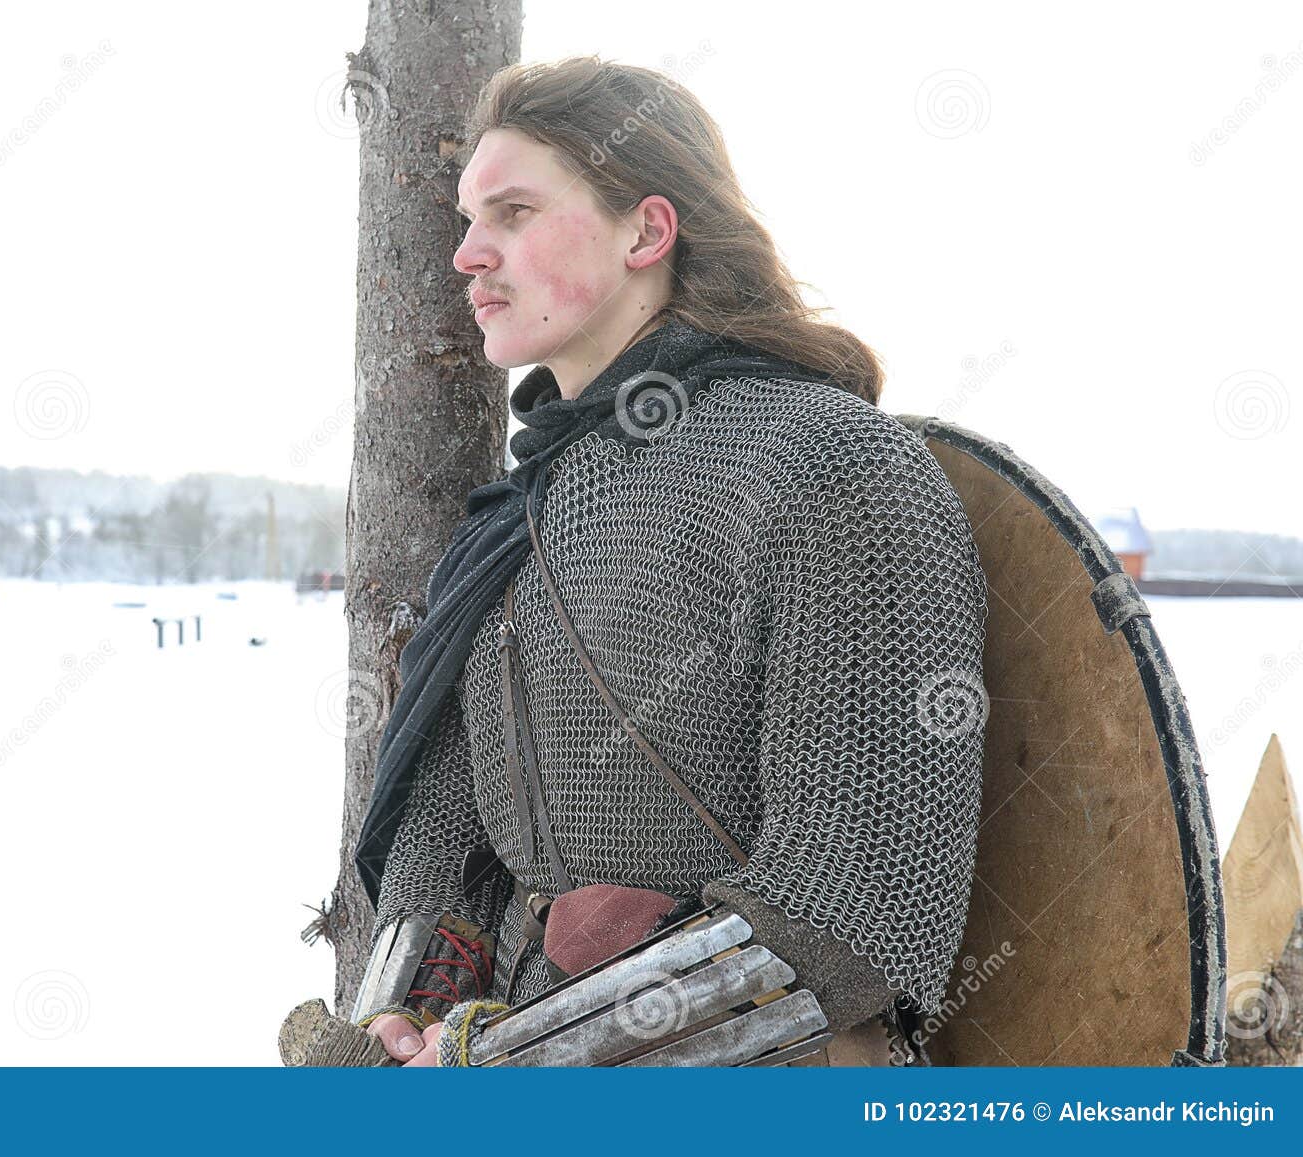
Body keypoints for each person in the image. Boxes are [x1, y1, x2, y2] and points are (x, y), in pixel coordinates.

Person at [353, 55, 988, 1067]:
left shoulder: (827, 464)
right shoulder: (517, 514)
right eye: (468, 222)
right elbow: (446, 827)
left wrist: (513, 1066)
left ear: (646, 230)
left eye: (513, 213)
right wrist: (404, 1005)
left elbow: (847, 910)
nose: (468, 254)